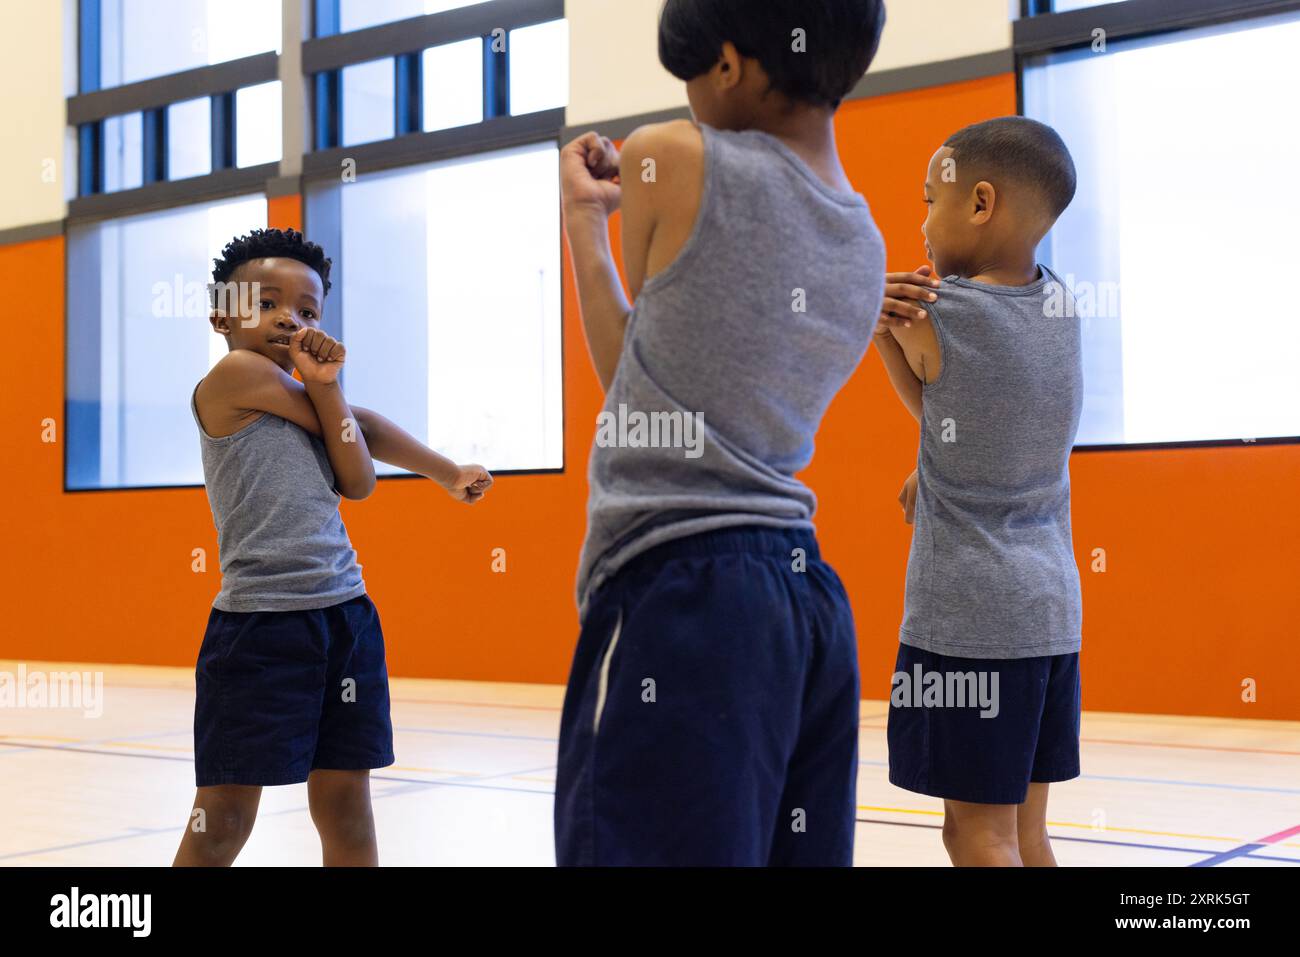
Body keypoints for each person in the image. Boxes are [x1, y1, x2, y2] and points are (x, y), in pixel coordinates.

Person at [555, 0, 889, 865]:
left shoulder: (672, 157)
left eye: (695, 77)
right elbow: (652, 386)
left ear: (733, 66)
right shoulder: (864, 238)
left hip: (683, 592)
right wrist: (593, 223)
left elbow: (628, 382)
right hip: (804, 603)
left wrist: (588, 219)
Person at [174, 228, 491, 866]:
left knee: (347, 807)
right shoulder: (236, 374)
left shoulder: (313, 398)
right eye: (265, 303)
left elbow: (358, 477)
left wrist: (446, 472)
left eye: (308, 309)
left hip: (345, 617)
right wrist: (324, 387)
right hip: (261, 628)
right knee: (226, 815)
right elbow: (358, 439)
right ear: (220, 317)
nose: (289, 317)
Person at [873, 117, 1082, 866]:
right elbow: (957, 412)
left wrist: (875, 314)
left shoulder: (942, 312)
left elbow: (931, 378)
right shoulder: (1059, 304)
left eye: (931, 199)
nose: (922, 222)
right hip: (1050, 614)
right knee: (1028, 833)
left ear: (981, 203)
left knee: (976, 834)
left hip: (971, 622)